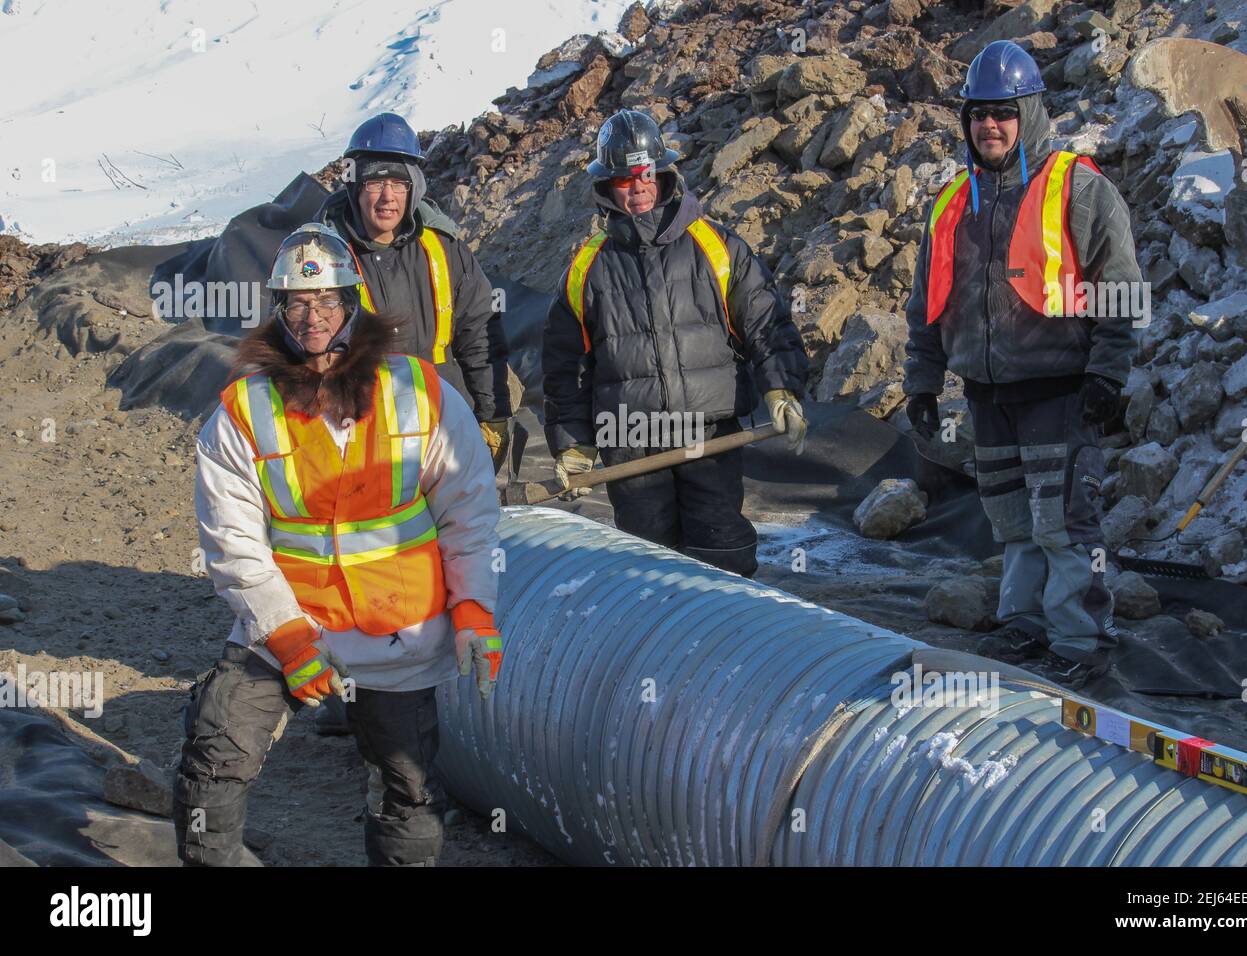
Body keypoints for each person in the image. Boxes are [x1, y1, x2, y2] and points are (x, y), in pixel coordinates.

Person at [175, 223, 502, 866]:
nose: (314, 316)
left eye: (327, 301)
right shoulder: (244, 410)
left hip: (398, 631)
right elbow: (233, 542)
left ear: (353, 303)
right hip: (288, 627)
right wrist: (287, 637)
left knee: (406, 789)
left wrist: (474, 610)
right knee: (215, 757)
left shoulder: (421, 393)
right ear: (278, 310)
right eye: (298, 302)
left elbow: (470, 514)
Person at [901, 40, 1141, 688]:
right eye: (978, 114)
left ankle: (1079, 642)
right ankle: (1026, 622)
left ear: (1028, 111)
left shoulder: (1079, 189)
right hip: (987, 393)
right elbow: (927, 303)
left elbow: (1119, 287)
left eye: (1002, 112)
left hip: (1058, 390)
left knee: (1064, 522)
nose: (989, 125)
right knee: (1013, 522)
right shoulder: (953, 202)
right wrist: (923, 382)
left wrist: (1106, 373)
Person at [542, 109, 810, 577]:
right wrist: (572, 443)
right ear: (606, 186)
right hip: (628, 439)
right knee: (648, 565)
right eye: (625, 179)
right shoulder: (587, 268)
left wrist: (781, 387)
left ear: (665, 173)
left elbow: (765, 320)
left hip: (709, 433)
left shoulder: (716, 246)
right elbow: (567, 367)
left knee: (723, 553)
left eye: (646, 174)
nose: (638, 187)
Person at [318, 112, 513, 473]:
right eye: (376, 183)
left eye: (398, 182)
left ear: (415, 187)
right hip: (364, 435)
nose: (387, 197)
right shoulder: (323, 257)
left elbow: (480, 335)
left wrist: (492, 413)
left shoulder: (443, 248)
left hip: (446, 421)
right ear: (356, 186)